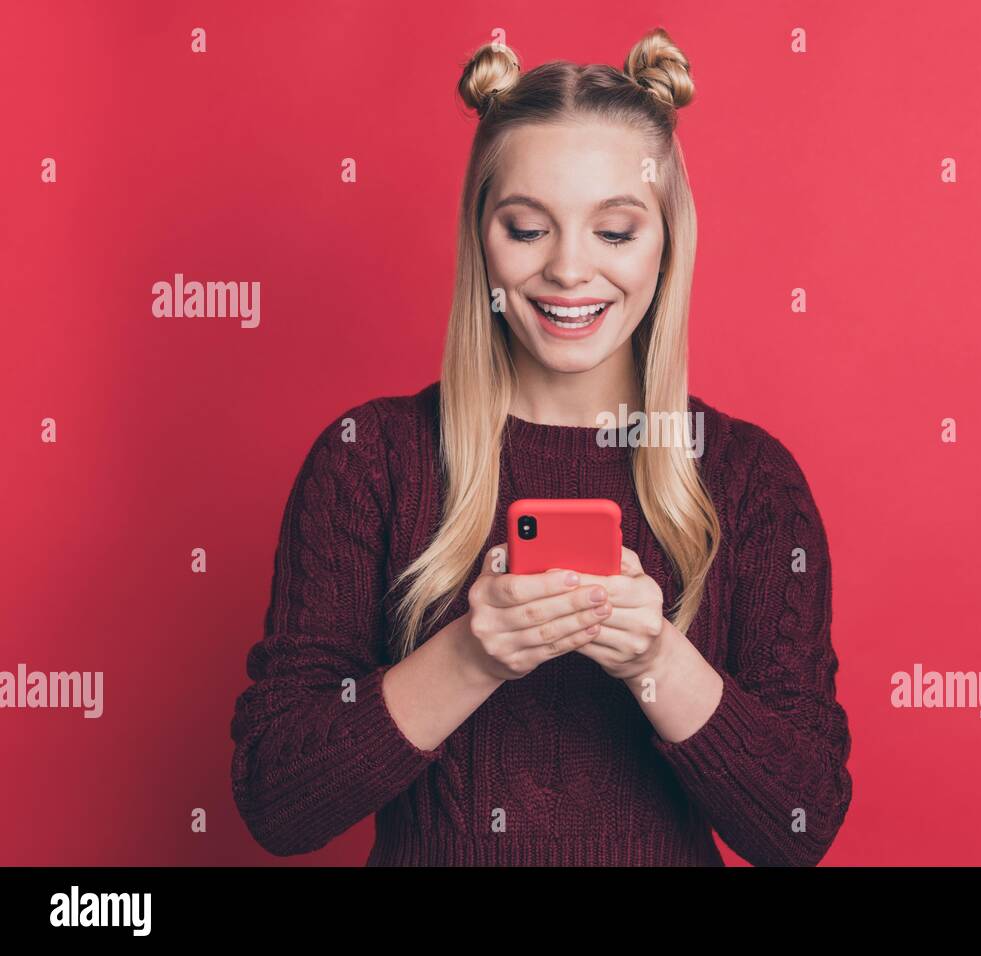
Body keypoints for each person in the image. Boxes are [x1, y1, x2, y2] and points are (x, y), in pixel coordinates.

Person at [230, 27, 852, 866]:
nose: (568, 270)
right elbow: (277, 802)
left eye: (616, 231)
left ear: (668, 243)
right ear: (479, 237)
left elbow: (801, 826)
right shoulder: (368, 458)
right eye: (527, 230)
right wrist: (470, 655)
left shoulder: (748, 480)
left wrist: (655, 658)